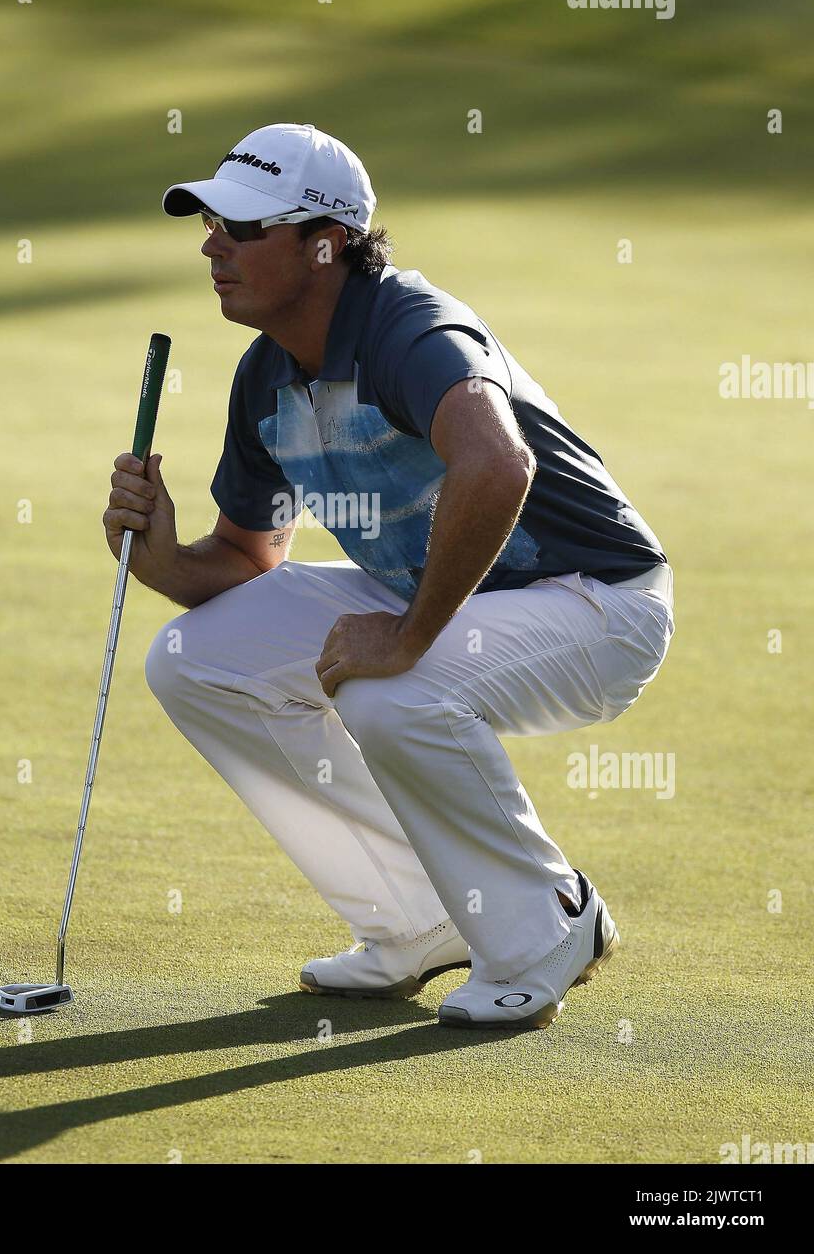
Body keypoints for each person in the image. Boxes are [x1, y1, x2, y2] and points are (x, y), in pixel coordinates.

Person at [103, 122, 674, 1030]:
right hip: (447, 594)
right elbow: (251, 560)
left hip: (597, 602)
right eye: (210, 221)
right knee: (197, 659)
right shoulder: (266, 378)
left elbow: (499, 466)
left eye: (242, 227)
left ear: (325, 244)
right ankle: (420, 919)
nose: (213, 243)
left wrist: (407, 637)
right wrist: (166, 558)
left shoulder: (409, 326)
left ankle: (546, 924)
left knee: (388, 692)